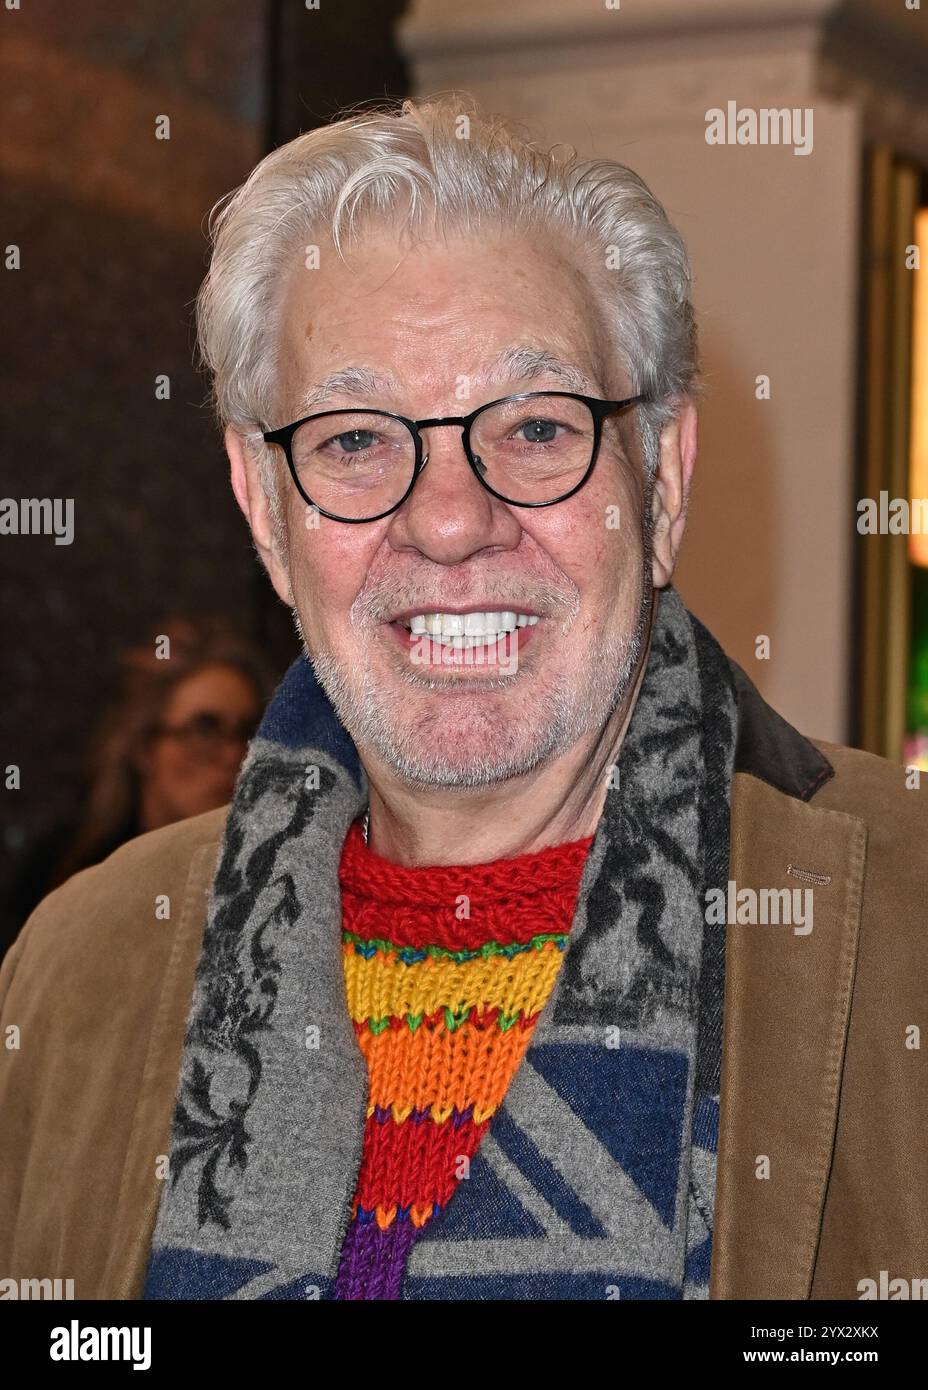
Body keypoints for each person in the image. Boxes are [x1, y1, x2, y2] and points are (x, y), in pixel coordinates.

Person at [0, 95, 924, 1302]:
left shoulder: (904, 924)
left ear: (666, 475)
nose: (447, 520)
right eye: (353, 440)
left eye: (538, 427)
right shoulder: (76, 968)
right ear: (261, 508)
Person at [1, 617, 270, 958]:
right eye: (204, 729)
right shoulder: (69, 875)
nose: (233, 755)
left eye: (247, 732)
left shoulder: (268, 882)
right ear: (145, 747)